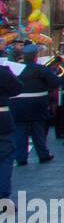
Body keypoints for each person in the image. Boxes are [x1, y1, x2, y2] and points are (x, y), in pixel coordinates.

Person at [11, 44, 58, 168]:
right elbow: (55, 82)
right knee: (38, 131)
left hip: (18, 105)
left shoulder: (15, 69)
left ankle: (20, 158)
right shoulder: (41, 69)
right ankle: (43, 155)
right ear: (36, 57)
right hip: (38, 105)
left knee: (20, 132)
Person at [0, 59, 24, 212]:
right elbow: (17, 89)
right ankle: (2, 198)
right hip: (2, 117)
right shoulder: (2, 72)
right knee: (5, 157)